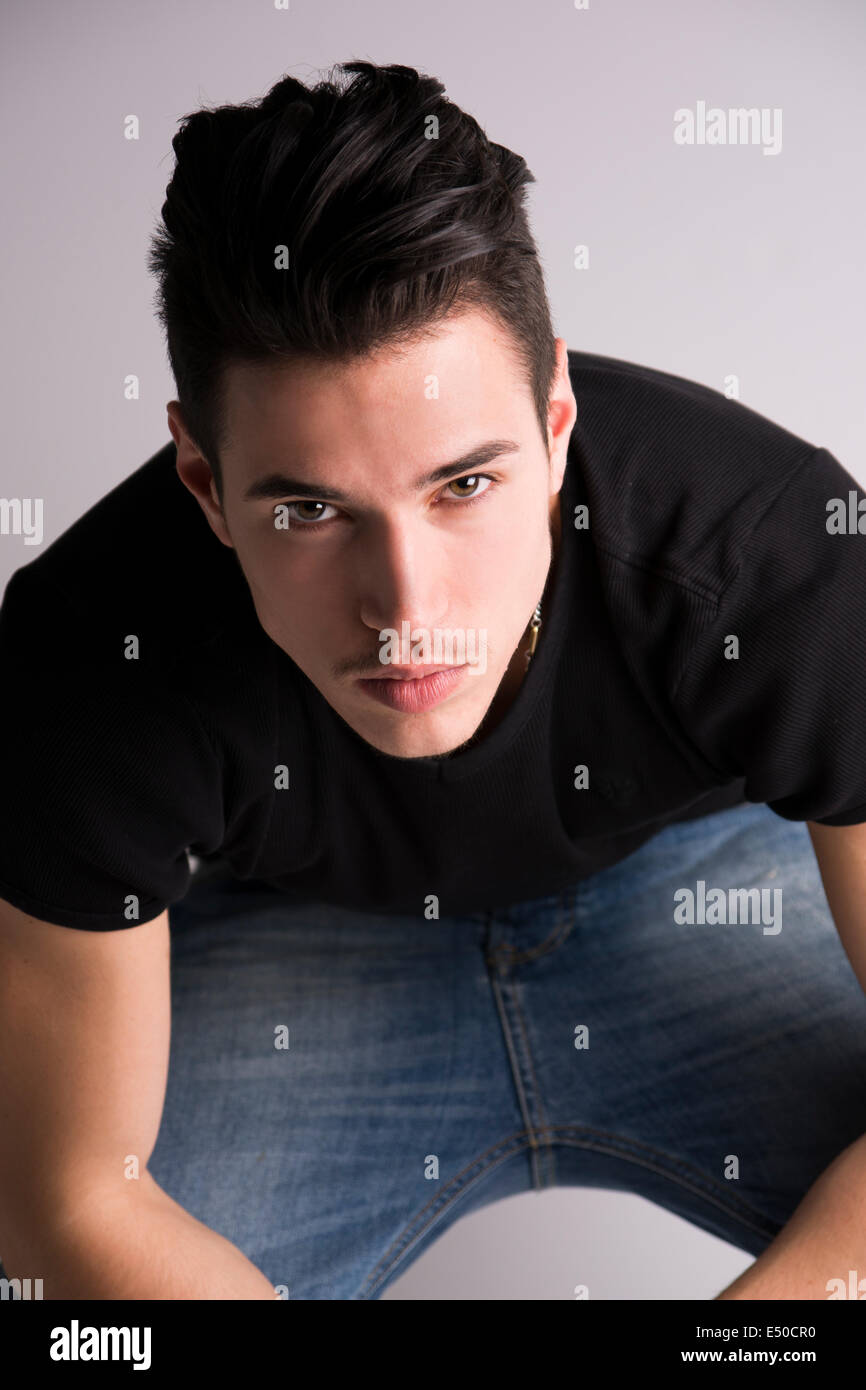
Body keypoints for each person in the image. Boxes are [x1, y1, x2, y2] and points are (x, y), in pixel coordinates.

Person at [2, 60, 866, 1302]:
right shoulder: (88, 660)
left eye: (464, 484)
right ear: (203, 482)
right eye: (308, 510)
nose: (406, 612)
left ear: (556, 417)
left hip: (680, 881)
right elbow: (72, 1198)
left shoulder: (773, 558)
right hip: (309, 942)